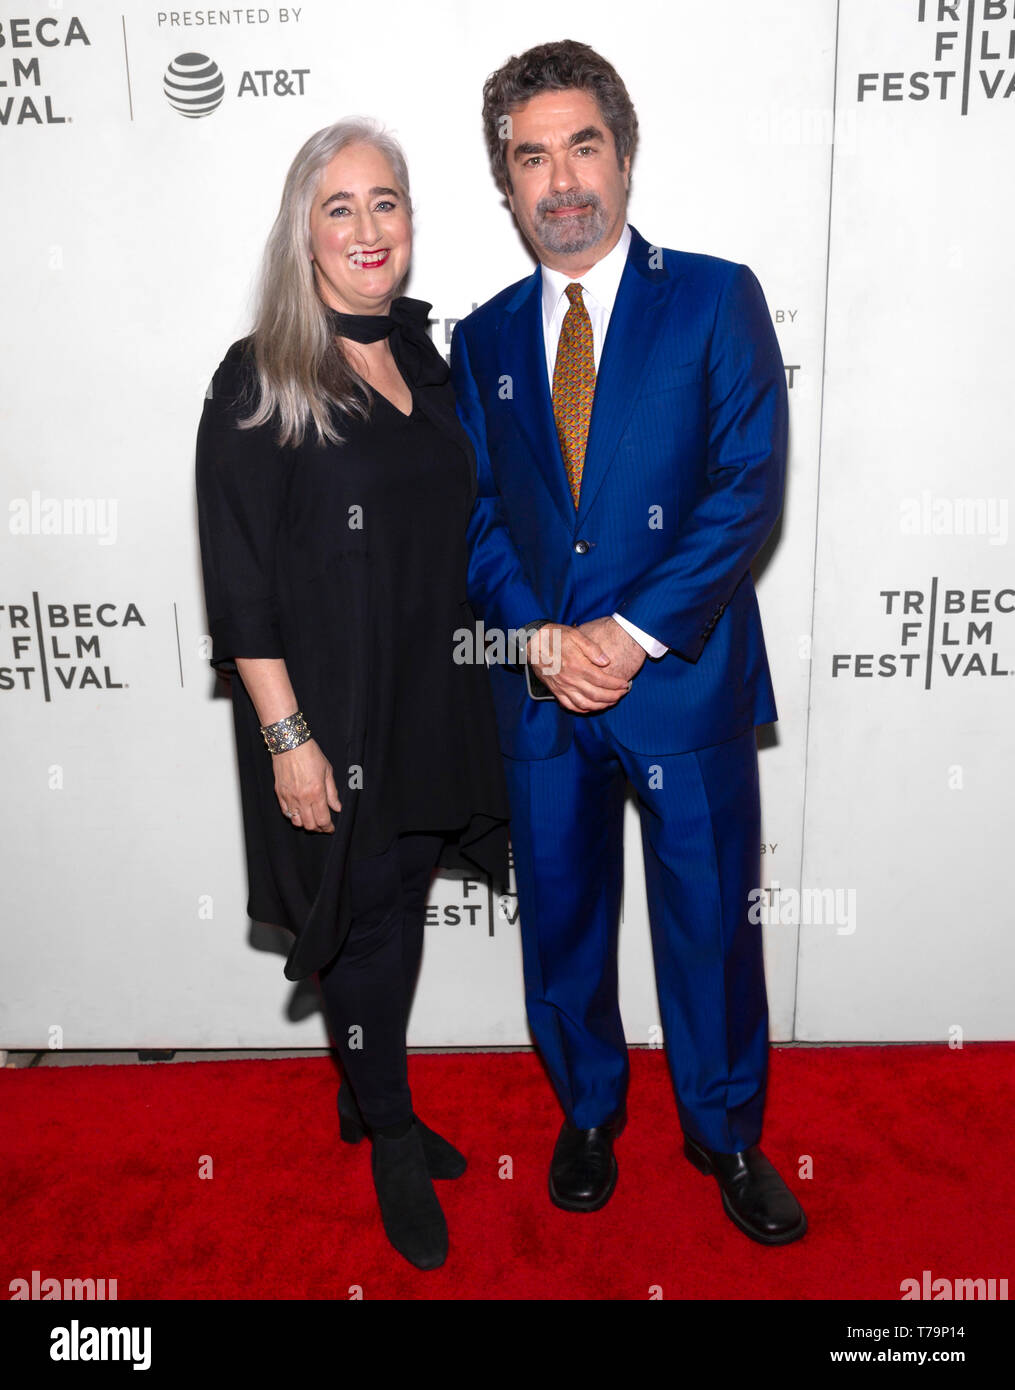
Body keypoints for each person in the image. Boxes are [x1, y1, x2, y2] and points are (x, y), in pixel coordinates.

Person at [451, 40, 806, 1244]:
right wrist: (541, 636)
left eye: (581, 145)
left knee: (708, 921)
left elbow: (747, 488)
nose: (560, 180)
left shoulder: (715, 296)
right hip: (544, 692)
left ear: (624, 153)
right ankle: (589, 1109)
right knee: (559, 917)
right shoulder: (485, 337)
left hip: (683, 683)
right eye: (530, 155)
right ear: (504, 183)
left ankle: (727, 1133)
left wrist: (630, 630)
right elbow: (479, 512)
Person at [195, 118, 509, 1270]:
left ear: (411, 223)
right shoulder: (263, 371)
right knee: (363, 919)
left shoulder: (426, 361)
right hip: (328, 708)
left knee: (398, 907)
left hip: (431, 696)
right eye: (340, 206)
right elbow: (237, 578)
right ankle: (386, 1128)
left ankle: (359, 1085)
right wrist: (288, 737)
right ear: (303, 232)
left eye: (387, 202)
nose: (368, 228)